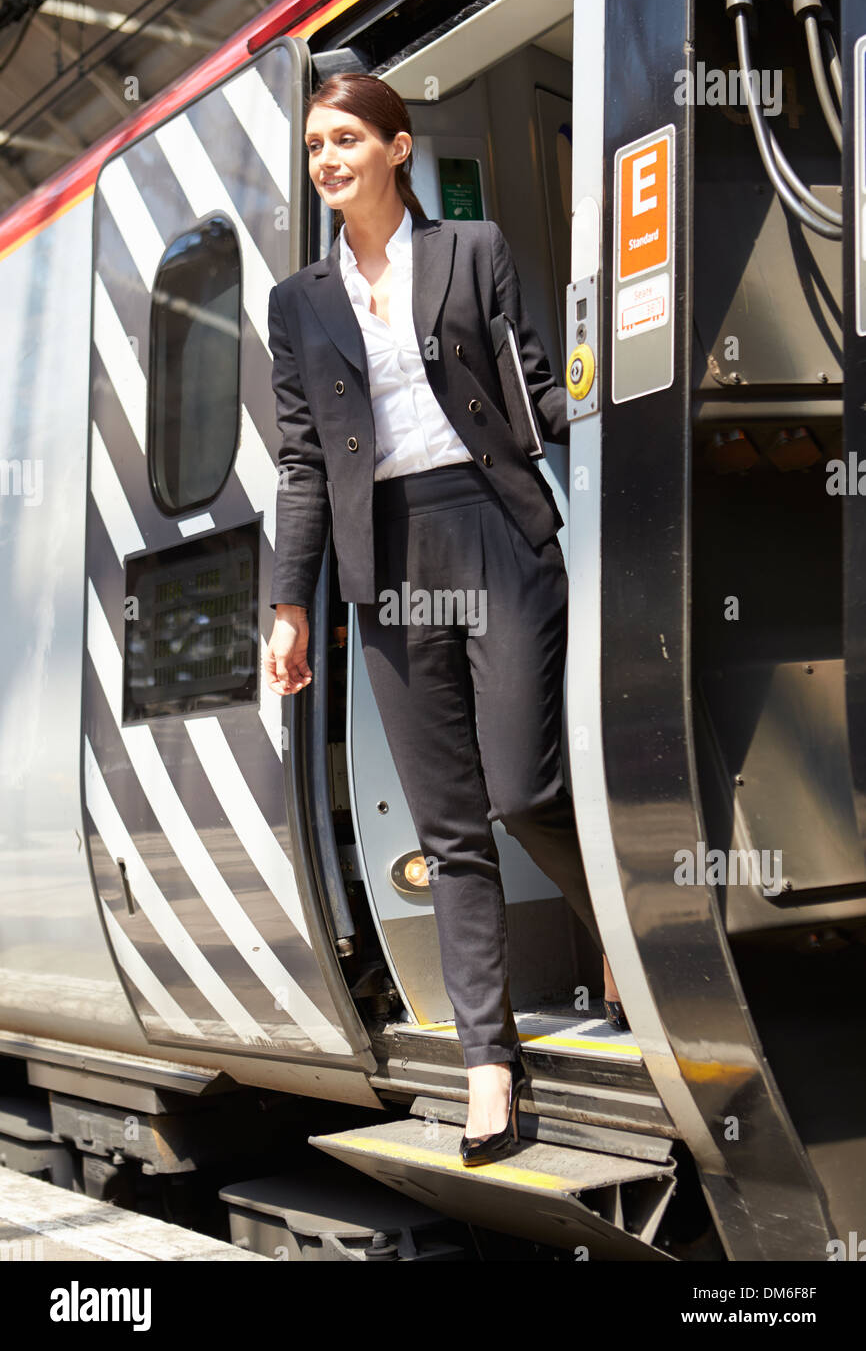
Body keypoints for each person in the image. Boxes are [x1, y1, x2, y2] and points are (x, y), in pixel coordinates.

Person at [263, 72, 627, 1167]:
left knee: (525, 789)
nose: (326, 158)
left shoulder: (474, 251)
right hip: (386, 560)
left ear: (396, 146)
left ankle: (634, 937)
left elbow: (532, 390)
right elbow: (300, 464)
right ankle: (487, 1065)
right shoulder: (299, 303)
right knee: (449, 824)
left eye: (344, 139)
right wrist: (288, 602)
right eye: (315, 143)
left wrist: (620, 385)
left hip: (495, 531)